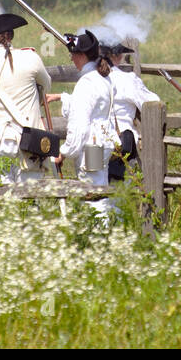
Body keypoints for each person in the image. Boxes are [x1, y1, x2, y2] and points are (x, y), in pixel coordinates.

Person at [0, 12, 55, 184]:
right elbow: (46, 87)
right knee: (32, 200)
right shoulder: (31, 57)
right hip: (29, 141)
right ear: (10, 35)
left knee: (3, 203)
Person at [54, 30, 119, 219]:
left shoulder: (86, 83)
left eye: (73, 54)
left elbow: (79, 125)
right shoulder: (103, 79)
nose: (72, 59)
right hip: (102, 144)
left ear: (81, 55)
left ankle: (98, 232)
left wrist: (64, 152)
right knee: (99, 186)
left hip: (92, 146)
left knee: (91, 191)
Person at [105, 41, 159, 179]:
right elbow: (152, 102)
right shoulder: (127, 79)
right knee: (123, 194)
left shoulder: (89, 79)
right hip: (121, 144)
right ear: (117, 56)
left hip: (94, 147)